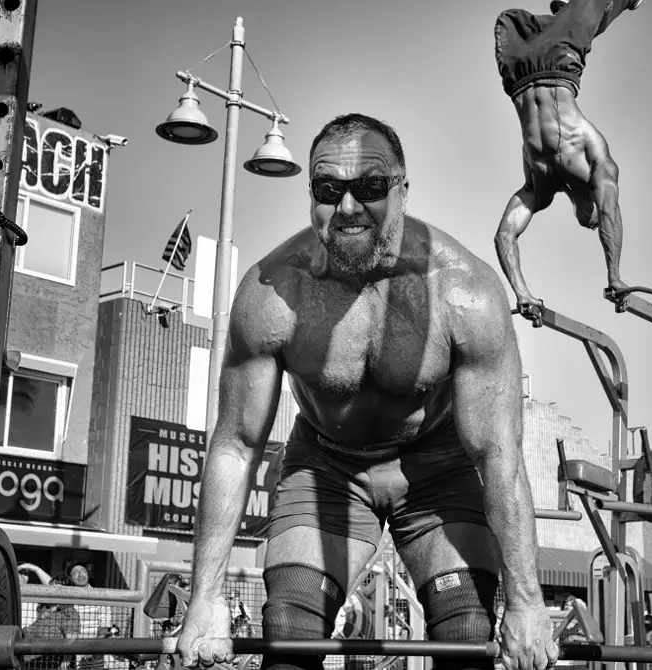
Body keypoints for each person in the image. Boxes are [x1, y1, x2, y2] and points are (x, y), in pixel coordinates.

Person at [175, 112, 556, 670]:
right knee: (288, 629)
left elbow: (498, 453)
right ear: (311, 194)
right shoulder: (272, 293)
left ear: (402, 190)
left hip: (437, 466)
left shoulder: (464, 293)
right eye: (329, 190)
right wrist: (204, 598)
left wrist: (527, 603)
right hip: (328, 464)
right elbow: (234, 445)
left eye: (370, 188)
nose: (348, 207)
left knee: (467, 632)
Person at [492, 0, 643, 324]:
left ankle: (561, 14)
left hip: (518, 72)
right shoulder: (599, 167)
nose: (591, 222)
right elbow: (609, 213)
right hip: (561, 62)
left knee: (508, 20)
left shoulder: (540, 187)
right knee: (591, 6)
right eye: (595, 223)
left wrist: (522, 293)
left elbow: (504, 235)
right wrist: (614, 275)